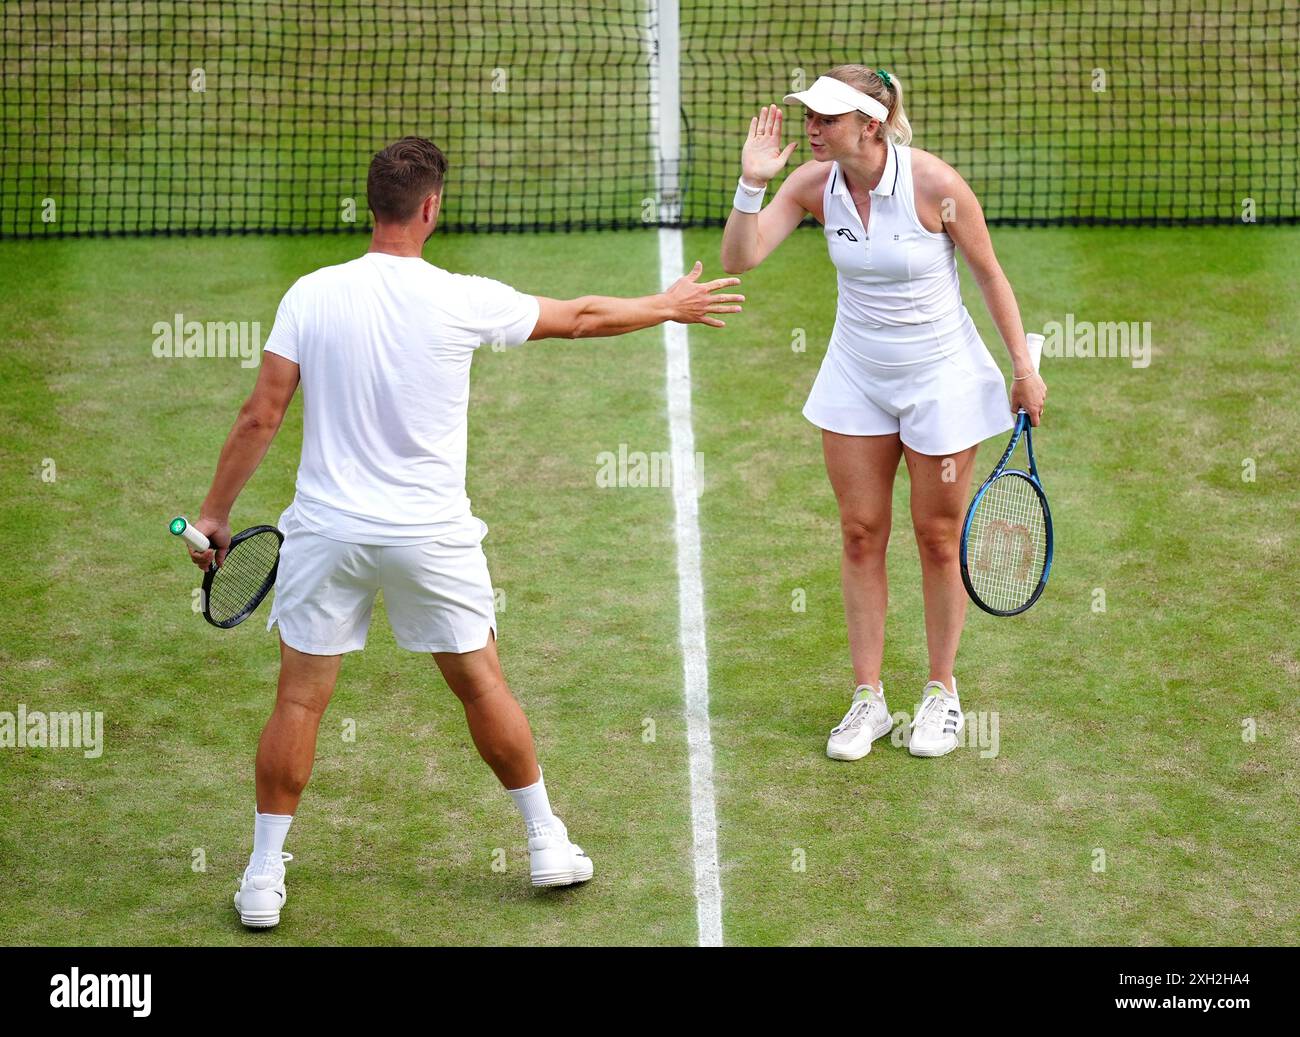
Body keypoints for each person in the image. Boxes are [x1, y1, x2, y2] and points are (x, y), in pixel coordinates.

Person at [187, 136, 743, 928]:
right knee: (480, 681)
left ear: (371, 204)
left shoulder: (309, 295)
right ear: (431, 208)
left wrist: (213, 514)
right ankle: (546, 840)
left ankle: (262, 878)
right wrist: (666, 305)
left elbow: (261, 413)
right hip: (429, 536)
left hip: (329, 532)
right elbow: (579, 318)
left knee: (301, 699)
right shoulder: (461, 296)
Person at [720, 67, 1046, 762]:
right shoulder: (812, 186)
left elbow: (990, 274)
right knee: (861, 533)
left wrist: (1023, 368)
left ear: (869, 124)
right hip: (857, 376)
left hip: (942, 378)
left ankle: (941, 691)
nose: (811, 128)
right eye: (808, 115)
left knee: (937, 535)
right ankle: (868, 698)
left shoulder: (935, 186)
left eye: (826, 118)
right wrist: (753, 183)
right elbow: (740, 257)